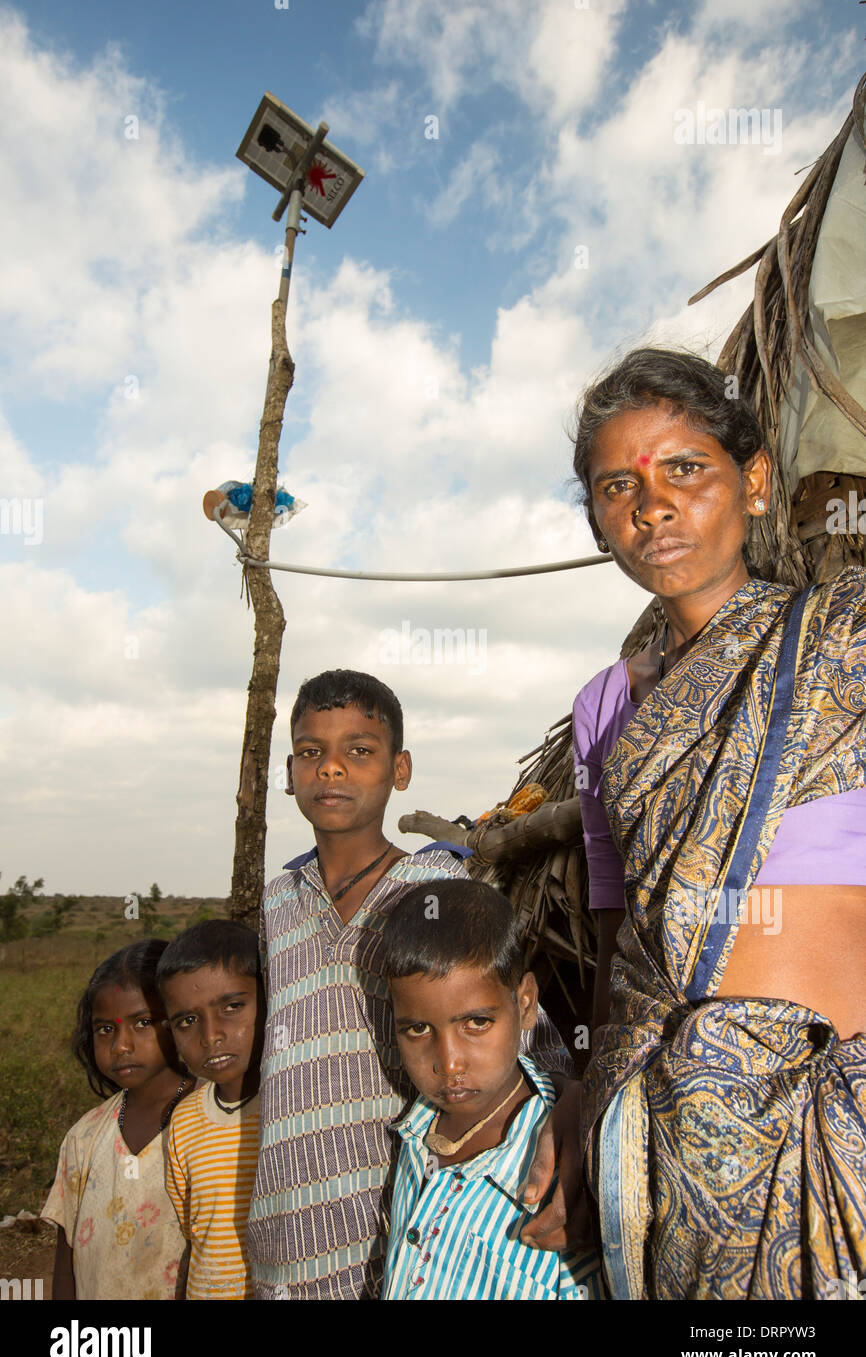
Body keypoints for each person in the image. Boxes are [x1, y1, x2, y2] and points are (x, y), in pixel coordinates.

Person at [569, 346, 866, 1299]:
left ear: (757, 483)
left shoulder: (844, 641)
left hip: (840, 1105)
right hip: (683, 1135)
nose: (651, 504)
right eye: (620, 485)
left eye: (685, 469)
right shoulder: (604, 708)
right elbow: (619, 932)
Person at [246, 668, 573, 1300]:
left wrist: (573, 1113)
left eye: (359, 751)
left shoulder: (438, 888)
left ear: (401, 770)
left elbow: (523, 1034)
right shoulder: (277, 900)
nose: (332, 769)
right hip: (281, 1237)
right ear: (289, 774)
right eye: (312, 753)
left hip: (399, 1233)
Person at [380, 879, 604, 1300]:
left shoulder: (565, 1172)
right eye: (417, 1029)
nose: (449, 1063)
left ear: (525, 1004)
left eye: (477, 1023)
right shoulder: (412, 1135)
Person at [43, 940, 191, 1300]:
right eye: (105, 1029)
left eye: (142, 1023)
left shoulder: (212, 1123)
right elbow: (67, 1263)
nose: (121, 1045)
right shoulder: (85, 1137)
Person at [158, 919, 264, 1300]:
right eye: (187, 1020)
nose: (210, 1035)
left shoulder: (293, 1108)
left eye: (232, 1007)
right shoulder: (184, 1122)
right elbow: (193, 1231)